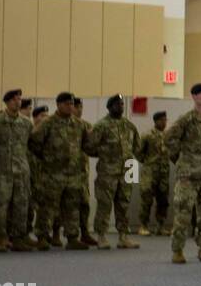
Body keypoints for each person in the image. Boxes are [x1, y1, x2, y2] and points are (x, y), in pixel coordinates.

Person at [165, 83, 201, 264]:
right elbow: (168, 138)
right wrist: (179, 159)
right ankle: (177, 250)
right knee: (183, 214)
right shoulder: (186, 120)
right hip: (188, 177)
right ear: (194, 96)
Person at [29, 92, 87, 250]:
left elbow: (86, 144)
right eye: (67, 104)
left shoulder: (78, 124)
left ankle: (72, 237)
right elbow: (34, 142)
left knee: (72, 206)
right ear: (59, 105)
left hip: (72, 173)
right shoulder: (48, 123)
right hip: (52, 174)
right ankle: (42, 236)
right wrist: (46, 157)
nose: (70, 107)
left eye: (72, 104)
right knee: (47, 207)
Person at [86, 95, 141, 249]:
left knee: (124, 204)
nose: (121, 107)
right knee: (104, 204)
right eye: (117, 104)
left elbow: (137, 148)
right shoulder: (101, 126)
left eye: (122, 104)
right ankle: (101, 236)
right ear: (109, 107)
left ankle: (123, 236)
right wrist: (104, 155)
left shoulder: (130, 126)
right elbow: (89, 147)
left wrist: (133, 171)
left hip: (128, 170)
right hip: (107, 172)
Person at [0, 89, 36, 251]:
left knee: (21, 205)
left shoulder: (26, 123)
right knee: (0, 206)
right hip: (1, 171)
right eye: (14, 100)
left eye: (19, 99)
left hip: (21, 171)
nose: (18, 102)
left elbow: (30, 145)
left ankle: (18, 237)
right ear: (7, 102)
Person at [137, 111, 171, 236]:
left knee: (163, 200)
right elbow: (138, 153)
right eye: (161, 120)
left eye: (165, 120)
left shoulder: (168, 136)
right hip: (150, 173)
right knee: (146, 199)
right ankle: (143, 225)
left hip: (164, 173)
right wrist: (148, 163)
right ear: (155, 121)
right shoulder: (147, 135)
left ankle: (160, 226)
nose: (164, 122)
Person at [70, 98, 97, 247]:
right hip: (65, 172)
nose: (79, 110)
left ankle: (84, 232)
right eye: (76, 107)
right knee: (68, 205)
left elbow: (93, 146)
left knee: (84, 203)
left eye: (81, 107)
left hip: (82, 171)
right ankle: (57, 234)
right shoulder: (63, 125)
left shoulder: (86, 126)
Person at [28, 105, 48, 240]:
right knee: (27, 206)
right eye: (41, 116)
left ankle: (42, 234)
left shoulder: (47, 134)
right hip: (28, 175)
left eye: (46, 116)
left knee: (44, 207)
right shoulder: (27, 131)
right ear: (34, 118)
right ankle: (26, 233)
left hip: (43, 176)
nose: (44, 119)